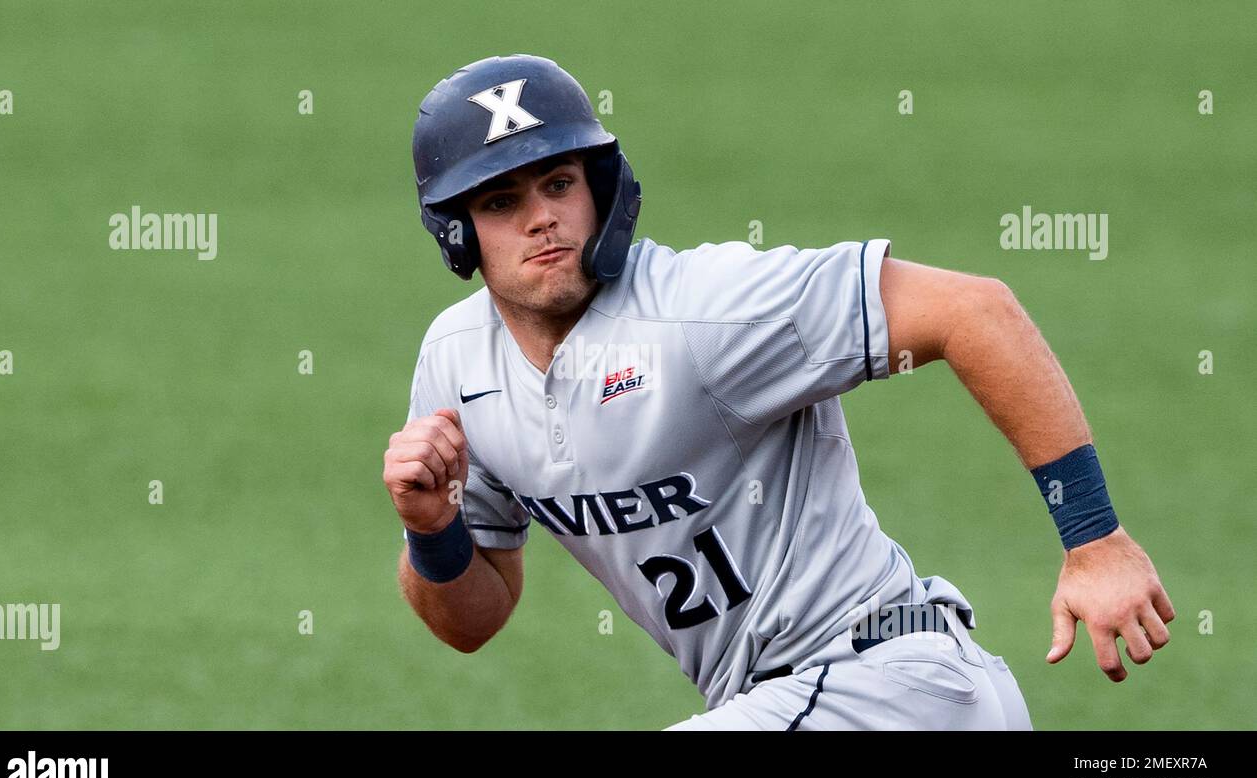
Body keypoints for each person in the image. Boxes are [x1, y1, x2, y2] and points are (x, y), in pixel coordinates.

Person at [384, 54, 1175, 730]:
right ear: (457, 230)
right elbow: (474, 620)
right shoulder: (456, 366)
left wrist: (1094, 538)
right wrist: (432, 528)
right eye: (501, 201)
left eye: (558, 182)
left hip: (883, 683)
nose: (542, 218)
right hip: (807, 701)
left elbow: (974, 311)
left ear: (601, 187)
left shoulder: (703, 309)